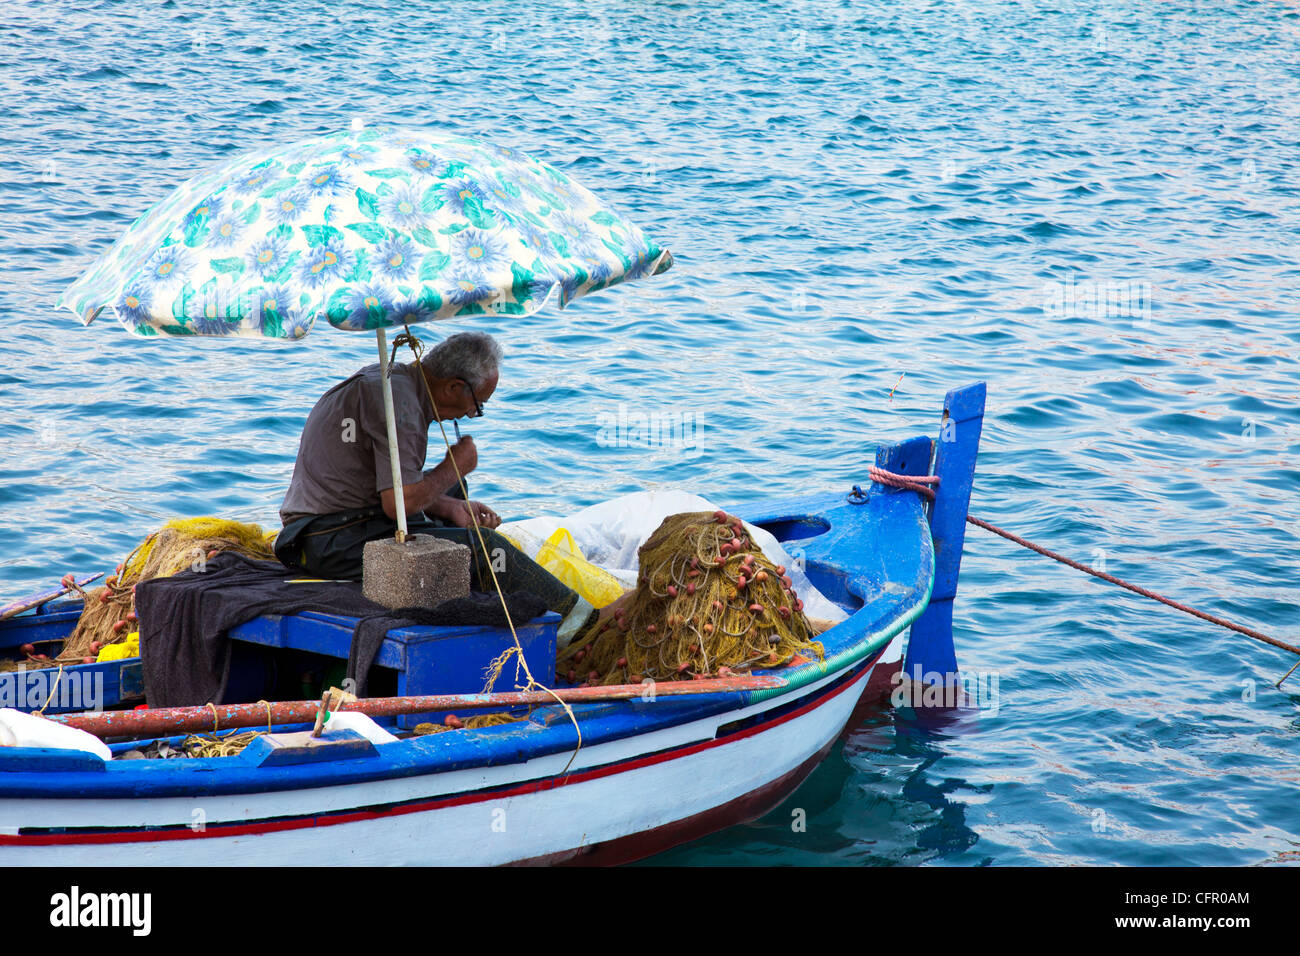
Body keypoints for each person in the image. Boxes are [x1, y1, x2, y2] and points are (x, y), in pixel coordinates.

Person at [273, 331, 596, 642]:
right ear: (454, 386)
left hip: (335, 522)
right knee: (486, 548)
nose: (471, 415)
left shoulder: (398, 383)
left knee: (455, 494)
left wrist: (451, 506)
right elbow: (400, 501)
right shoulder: (400, 406)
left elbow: (390, 489)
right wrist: (454, 466)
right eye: (477, 405)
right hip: (326, 539)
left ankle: (463, 571)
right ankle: (585, 627)